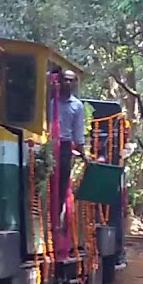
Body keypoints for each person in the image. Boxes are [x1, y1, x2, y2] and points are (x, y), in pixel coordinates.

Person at [55, 69, 86, 255]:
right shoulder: (50, 102)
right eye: (64, 80)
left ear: (75, 83)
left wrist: (83, 154)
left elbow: (78, 133)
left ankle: (59, 222)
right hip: (48, 143)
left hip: (65, 146)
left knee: (62, 186)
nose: (67, 83)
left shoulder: (77, 106)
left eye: (71, 80)